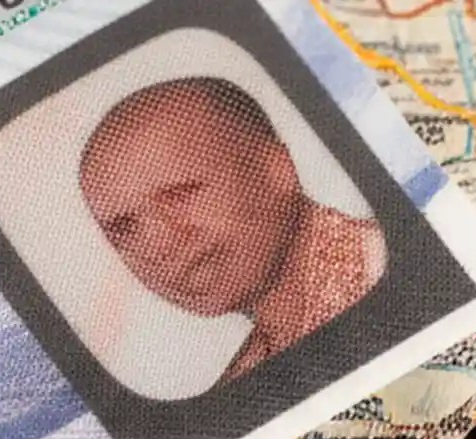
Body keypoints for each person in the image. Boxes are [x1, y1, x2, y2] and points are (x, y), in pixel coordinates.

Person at [78, 76, 387, 381]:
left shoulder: (390, 272)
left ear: (276, 169)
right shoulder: (244, 376)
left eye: (181, 194)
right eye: (126, 228)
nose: (159, 243)